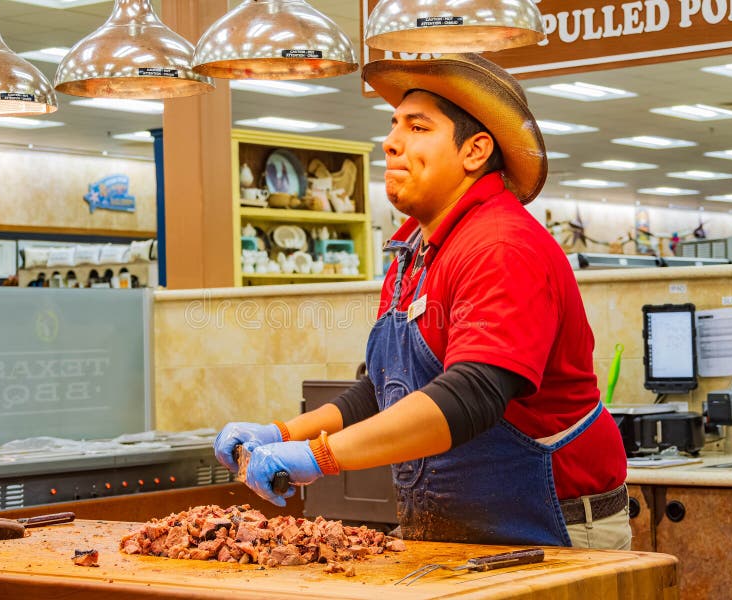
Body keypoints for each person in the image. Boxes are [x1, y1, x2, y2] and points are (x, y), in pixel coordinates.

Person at [214, 54, 630, 550]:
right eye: (393, 126)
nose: (390, 142)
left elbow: (472, 395)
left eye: (417, 126)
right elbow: (379, 392)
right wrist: (282, 433)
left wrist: (320, 457)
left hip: (550, 530)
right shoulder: (414, 253)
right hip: (463, 536)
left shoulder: (500, 245)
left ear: (475, 151)